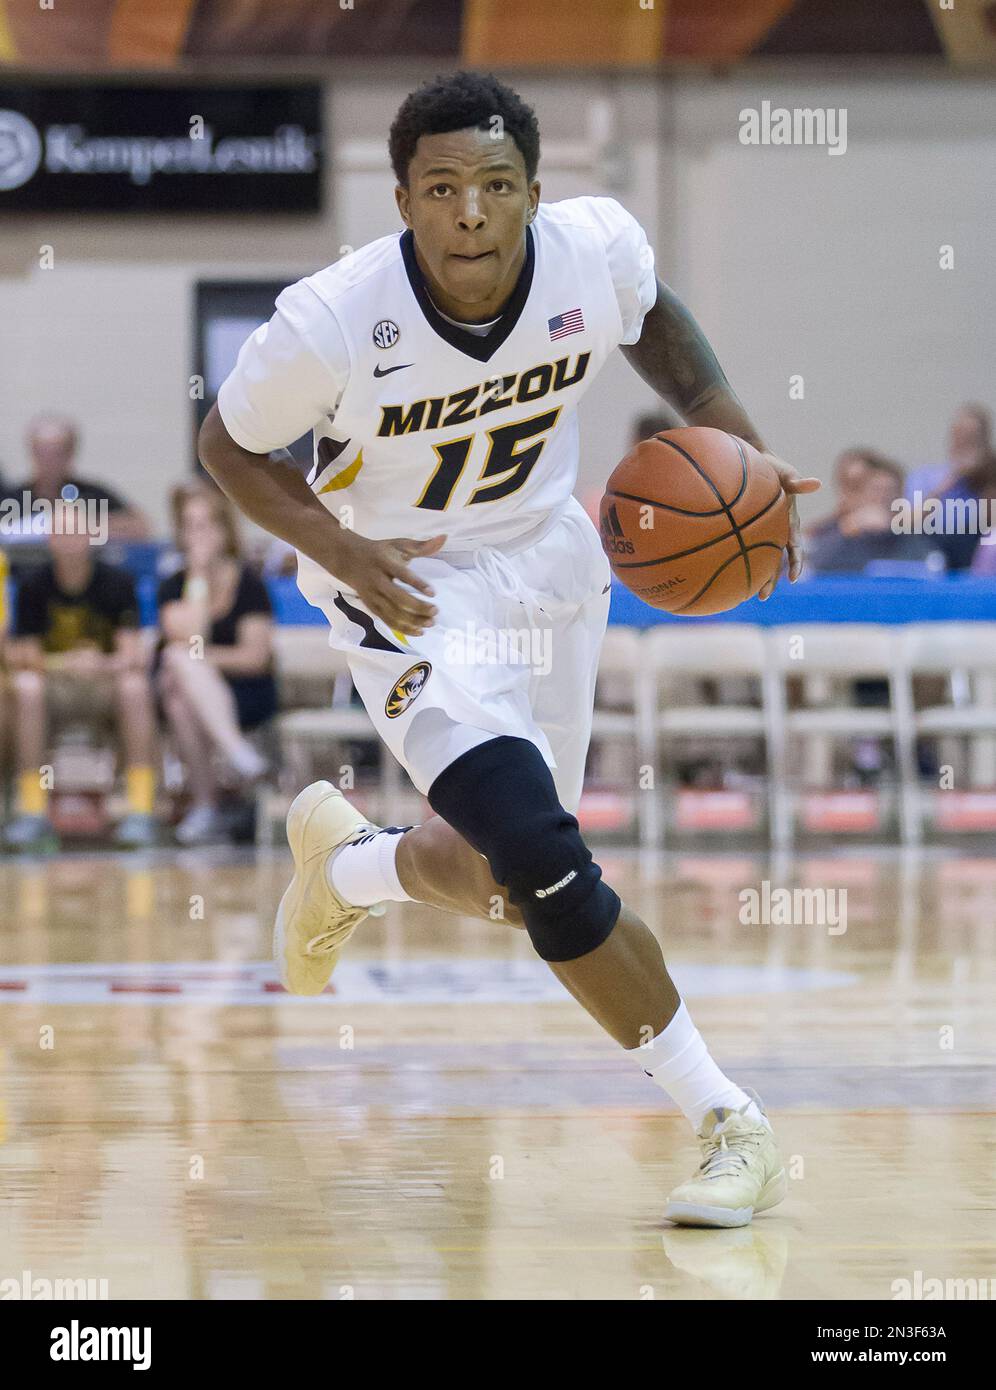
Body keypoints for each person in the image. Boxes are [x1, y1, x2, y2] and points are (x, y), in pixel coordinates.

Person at [199, 71, 820, 1229]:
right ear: (403, 202)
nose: (470, 211)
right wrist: (336, 543)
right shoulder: (330, 320)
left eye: (494, 185)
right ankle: (732, 1120)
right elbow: (229, 447)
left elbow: (656, 321)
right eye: (441, 189)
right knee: (544, 860)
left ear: (534, 193)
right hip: (408, 584)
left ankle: (347, 870)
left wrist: (728, 428)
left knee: (514, 886)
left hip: (547, 562)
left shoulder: (594, 252)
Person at [5, 527, 159, 849]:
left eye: (76, 532)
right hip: (55, 686)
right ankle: (32, 810)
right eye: (62, 533)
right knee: (27, 687)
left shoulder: (117, 581)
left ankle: (141, 809)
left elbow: (131, 654)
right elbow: (24, 656)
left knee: (135, 687)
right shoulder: (34, 585)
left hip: (103, 683)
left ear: (91, 537)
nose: (70, 541)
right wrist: (68, 662)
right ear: (50, 541)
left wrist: (98, 663)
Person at [156, 483, 276, 845]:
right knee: (179, 681)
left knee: (180, 670)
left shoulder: (250, 584)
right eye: (190, 526)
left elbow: (254, 659)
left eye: (208, 524)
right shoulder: (174, 584)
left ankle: (206, 806)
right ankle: (237, 754)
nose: (200, 534)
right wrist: (197, 576)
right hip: (187, 691)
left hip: (245, 691)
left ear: (226, 530)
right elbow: (194, 632)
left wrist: (199, 661)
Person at [16, 415, 150, 542]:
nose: (49, 461)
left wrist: (84, 527)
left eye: (57, 453)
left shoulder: (92, 494)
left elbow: (140, 526)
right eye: (42, 453)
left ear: (71, 453)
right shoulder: (13, 497)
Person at [808, 449, 934, 573]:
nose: (883, 497)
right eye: (876, 490)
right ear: (859, 495)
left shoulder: (911, 534)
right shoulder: (836, 530)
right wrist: (849, 529)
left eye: (890, 490)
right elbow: (813, 565)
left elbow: (930, 563)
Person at [905, 404, 996, 571]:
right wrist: (952, 480)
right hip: (930, 546)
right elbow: (908, 524)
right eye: (960, 434)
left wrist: (985, 479)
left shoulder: (989, 479)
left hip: (974, 552)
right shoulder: (925, 476)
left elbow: (991, 524)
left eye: (972, 436)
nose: (965, 441)